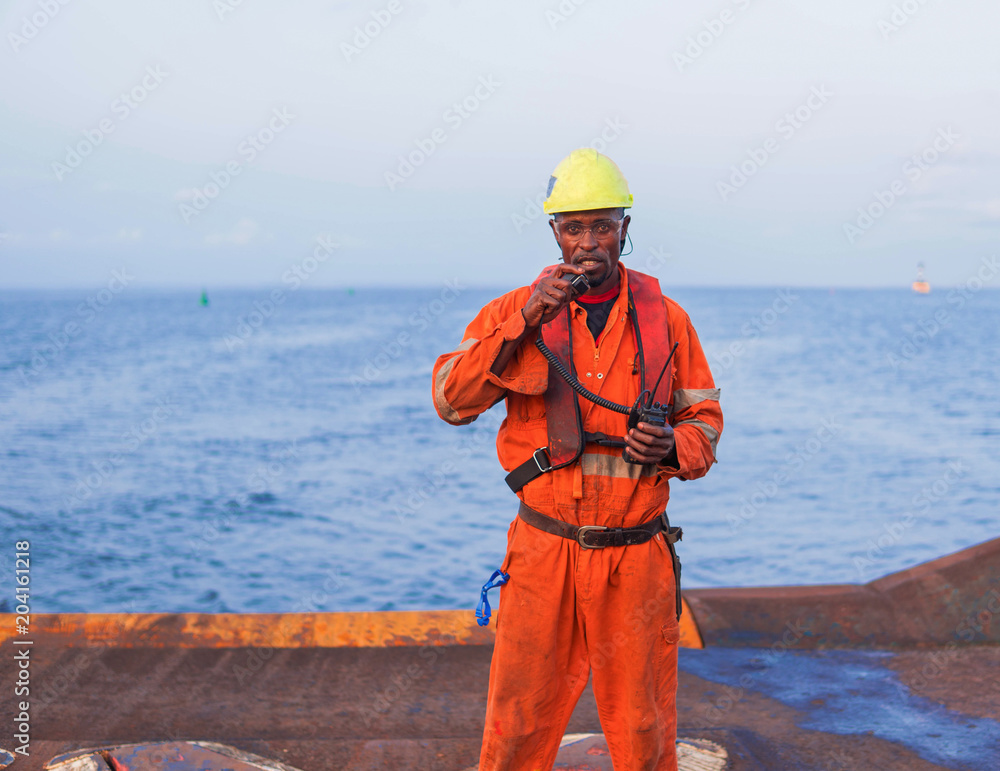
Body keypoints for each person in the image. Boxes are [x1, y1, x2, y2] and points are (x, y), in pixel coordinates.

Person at [432, 148, 723, 770]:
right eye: (574, 227)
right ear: (554, 233)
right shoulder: (512, 312)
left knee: (643, 724)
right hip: (543, 553)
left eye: (601, 226)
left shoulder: (668, 322)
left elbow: (706, 426)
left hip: (636, 557)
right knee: (518, 722)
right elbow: (452, 403)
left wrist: (673, 445)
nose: (588, 242)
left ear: (624, 228)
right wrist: (526, 322)